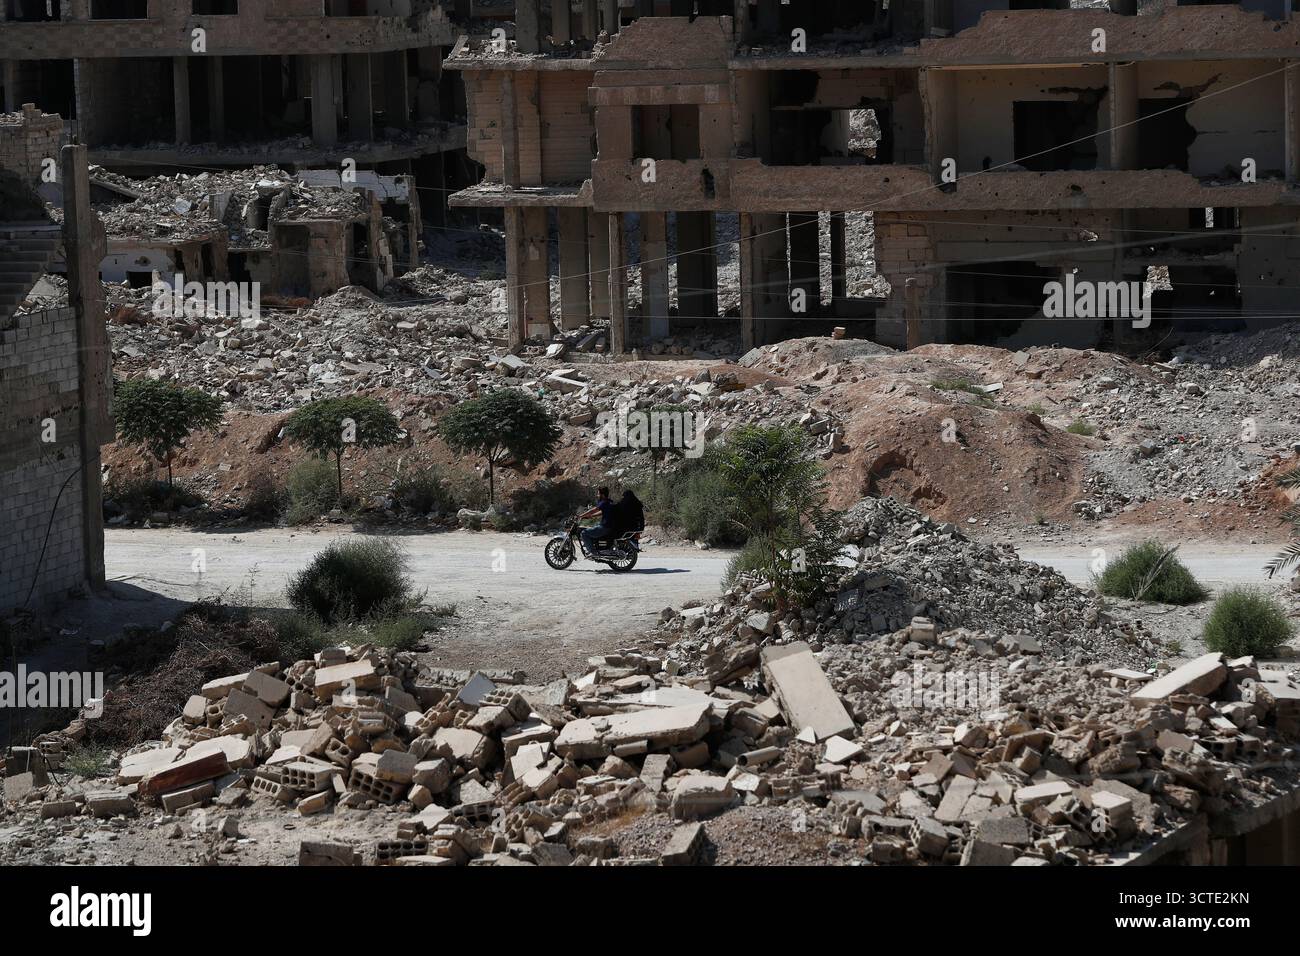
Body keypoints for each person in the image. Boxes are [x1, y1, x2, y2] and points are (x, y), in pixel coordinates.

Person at [578, 486, 614, 553]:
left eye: (598, 494)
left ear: (602, 495)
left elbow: (594, 510)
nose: (597, 495)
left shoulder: (604, 502)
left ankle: (592, 552)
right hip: (609, 526)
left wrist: (580, 516)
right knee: (592, 528)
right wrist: (591, 516)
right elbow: (602, 512)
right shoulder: (609, 502)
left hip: (605, 527)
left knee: (584, 533)